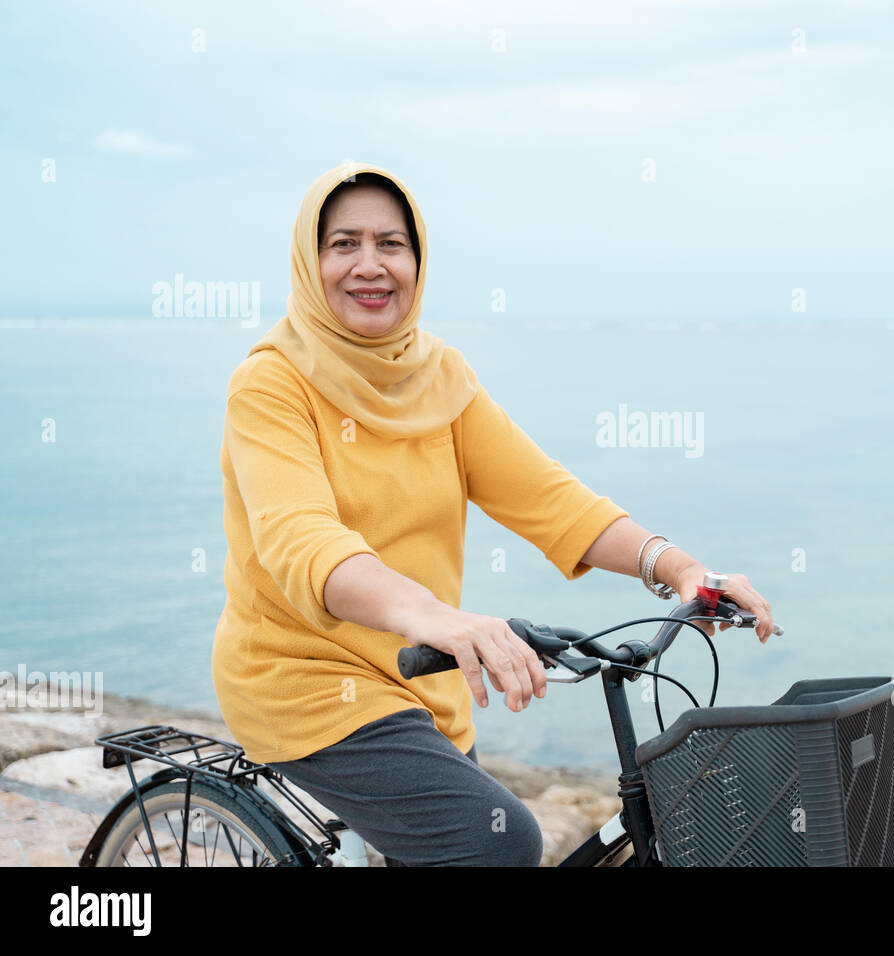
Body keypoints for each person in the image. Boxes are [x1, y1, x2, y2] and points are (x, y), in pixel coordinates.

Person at [210, 161, 777, 866]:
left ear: (417, 260)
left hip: (422, 678)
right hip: (308, 681)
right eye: (343, 244)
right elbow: (303, 541)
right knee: (498, 842)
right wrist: (438, 618)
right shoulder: (270, 383)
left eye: (391, 243)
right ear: (309, 258)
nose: (370, 265)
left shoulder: (440, 377)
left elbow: (549, 499)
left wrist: (683, 568)